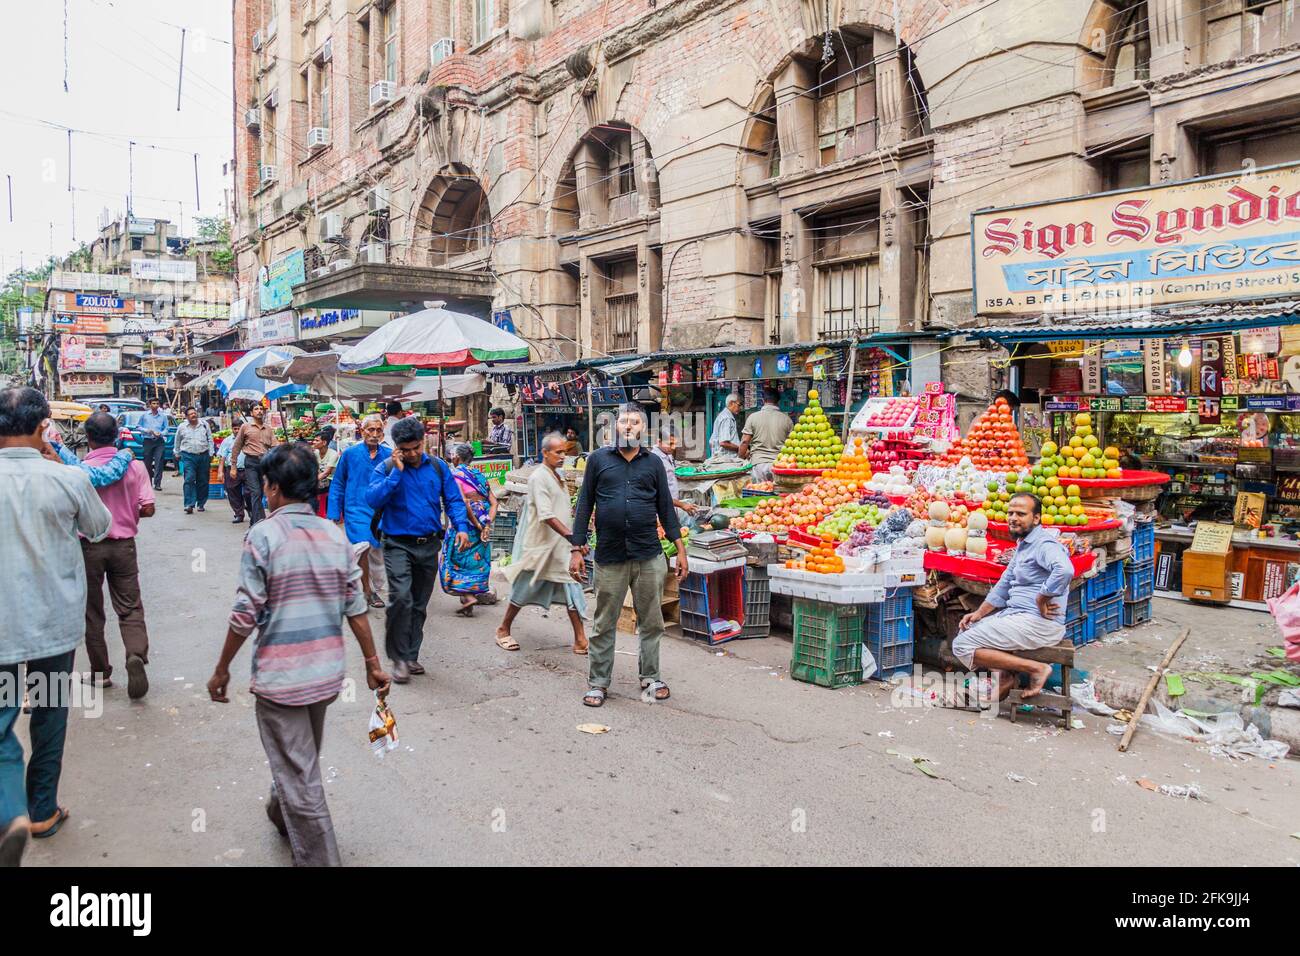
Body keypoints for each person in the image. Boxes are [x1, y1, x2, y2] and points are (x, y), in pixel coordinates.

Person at [206, 443, 391, 867]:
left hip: (281, 681)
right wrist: (372, 663)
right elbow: (356, 606)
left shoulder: (262, 535)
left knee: (301, 777)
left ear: (270, 488)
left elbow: (244, 612)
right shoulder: (335, 536)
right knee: (298, 761)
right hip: (326, 677)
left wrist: (221, 670)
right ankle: (280, 811)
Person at [0, 387, 112, 864]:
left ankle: (11, 814)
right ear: (44, 425)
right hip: (53, 620)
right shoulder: (67, 477)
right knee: (49, 713)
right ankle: (42, 810)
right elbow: (101, 526)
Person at [570, 403, 687, 708]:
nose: (629, 427)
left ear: (643, 429)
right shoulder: (598, 461)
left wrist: (681, 549)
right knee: (604, 622)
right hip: (609, 555)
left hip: (649, 553)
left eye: (635, 422)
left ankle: (651, 677)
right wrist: (576, 548)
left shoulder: (653, 464)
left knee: (651, 622)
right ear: (613, 427)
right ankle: (598, 683)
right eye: (624, 422)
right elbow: (584, 506)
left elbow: (665, 508)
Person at [365, 417, 473, 684]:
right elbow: (372, 499)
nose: (412, 453)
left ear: (423, 442)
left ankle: (411, 654)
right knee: (401, 597)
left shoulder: (437, 467)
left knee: (419, 604)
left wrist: (461, 527)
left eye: (416, 447)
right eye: (406, 449)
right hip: (397, 543)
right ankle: (398, 659)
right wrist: (396, 473)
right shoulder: (386, 467)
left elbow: (453, 499)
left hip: (428, 544)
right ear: (397, 447)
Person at [953, 493, 1074, 700]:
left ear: (1036, 518)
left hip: (1039, 623)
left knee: (961, 645)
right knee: (969, 627)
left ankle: (1036, 669)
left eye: (1021, 514)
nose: (1013, 518)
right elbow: (1004, 583)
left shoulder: (1044, 545)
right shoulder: (1024, 545)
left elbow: (1064, 570)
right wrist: (979, 613)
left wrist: (1042, 597)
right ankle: (1006, 677)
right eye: (1010, 513)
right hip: (1018, 616)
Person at [79, 412, 155, 699]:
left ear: (88, 438)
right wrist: (124, 513)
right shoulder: (134, 467)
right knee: (130, 607)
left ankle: (100, 673)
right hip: (124, 546)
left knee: (92, 612)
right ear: (117, 435)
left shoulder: (79, 470)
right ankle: (135, 654)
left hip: (87, 547)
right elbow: (148, 508)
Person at [497, 434, 588, 655]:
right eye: (558, 452)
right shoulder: (539, 477)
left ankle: (580, 639)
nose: (562, 456)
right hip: (541, 547)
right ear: (545, 453)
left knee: (572, 588)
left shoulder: (558, 476)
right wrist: (573, 538)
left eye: (565, 452)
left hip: (560, 547)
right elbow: (546, 515)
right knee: (522, 591)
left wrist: (574, 542)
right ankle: (503, 629)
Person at [327, 415, 391, 608]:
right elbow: (338, 483)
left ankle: (368, 586)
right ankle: (367, 591)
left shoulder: (389, 454)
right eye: (370, 430)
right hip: (355, 508)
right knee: (363, 546)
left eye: (378, 430)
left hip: (379, 510)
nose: (374, 434)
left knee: (377, 549)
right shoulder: (350, 454)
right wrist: (333, 512)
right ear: (362, 431)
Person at [443, 443, 497, 617]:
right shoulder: (480, 476)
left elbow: (464, 502)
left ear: (457, 458)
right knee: (475, 561)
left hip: (465, 525)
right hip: (483, 523)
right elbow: (495, 502)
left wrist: (476, 524)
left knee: (456, 558)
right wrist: (486, 524)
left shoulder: (455, 475)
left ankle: (467, 595)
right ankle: (469, 599)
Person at [231, 403, 279, 526]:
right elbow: (236, 446)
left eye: (261, 409)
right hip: (251, 462)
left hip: (264, 463)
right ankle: (259, 521)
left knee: (262, 492)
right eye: (256, 409)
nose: (259, 411)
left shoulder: (268, 429)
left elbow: (275, 446)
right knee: (256, 492)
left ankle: (254, 521)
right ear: (251, 413)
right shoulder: (245, 427)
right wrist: (233, 466)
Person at [739, 386, 793, 482]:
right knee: (776, 495)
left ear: (763, 400)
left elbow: (744, 441)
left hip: (758, 464)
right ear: (778, 402)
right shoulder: (787, 420)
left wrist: (740, 459)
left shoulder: (753, 417)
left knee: (759, 493)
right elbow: (792, 445)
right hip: (779, 465)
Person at [650, 423, 697, 526]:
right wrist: (682, 505)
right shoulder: (654, 460)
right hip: (659, 513)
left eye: (675, 443)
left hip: (670, 508)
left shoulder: (668, 455)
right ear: (659, 441)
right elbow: (658, 494)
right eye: (670, 444)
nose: (674, 447)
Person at [174, 406, 216, 514]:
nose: (194, 415)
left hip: (203, 455)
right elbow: (177, 440)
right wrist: (176, 452)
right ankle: (189, 504)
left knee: (203, 480)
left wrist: (211, 453)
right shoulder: (182, 427)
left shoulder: (204, 425)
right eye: (191, 414)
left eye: (195, 413)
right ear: (186, 417)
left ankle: (201, 503)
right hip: (188, 456)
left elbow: (210, 439)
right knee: (189, 478)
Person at [217, 421, 248, 524]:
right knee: (233, 492)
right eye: (235, 429)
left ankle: (252, 510)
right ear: (232, 429)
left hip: (248, 469)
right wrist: (220, 471)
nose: (237, 431)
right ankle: (239, 514)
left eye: (239, 428)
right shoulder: (227, 441)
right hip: (232, 470)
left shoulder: (249, 439)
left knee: (250, 492)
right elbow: (222, 457)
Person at [138, 398, 169, 490]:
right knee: (147, 463)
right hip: (148, 440)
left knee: (159, 462)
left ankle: (157, 483)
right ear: (150, 405)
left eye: (157, 403)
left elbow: (167, 428)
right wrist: (148, 431)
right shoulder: (144, 415)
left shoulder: (163, 416)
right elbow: (138, 427)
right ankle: (148, 483)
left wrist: (161, 433)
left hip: (159, 441)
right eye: (153, 403)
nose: (155, 405)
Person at [312, 427, 339, 518]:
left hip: (332, 480)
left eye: (316, 440)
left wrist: (311, 481)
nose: (314, 442)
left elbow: (326, 473)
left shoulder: (333, 454)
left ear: (324, 443)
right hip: (321, 480)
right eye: (314, 440)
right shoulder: (315, 453)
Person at [709, 393, 743, 459]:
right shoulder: (727, 418)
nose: (740, 408)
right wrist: (741, 448)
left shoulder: (724, 415)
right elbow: (723, 443)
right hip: (726, 459)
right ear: (731, 403)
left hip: (722, 458)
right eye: (739, 405)